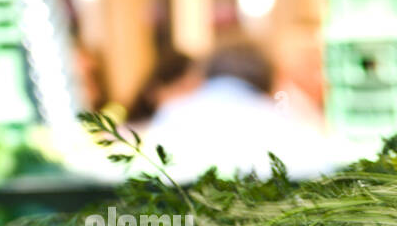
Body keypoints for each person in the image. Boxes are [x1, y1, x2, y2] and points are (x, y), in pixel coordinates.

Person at [143, 43, 338, 181]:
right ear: (271, 82)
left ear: (201, 78)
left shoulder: (172, 115)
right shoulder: (280, 120)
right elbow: (323, 166)